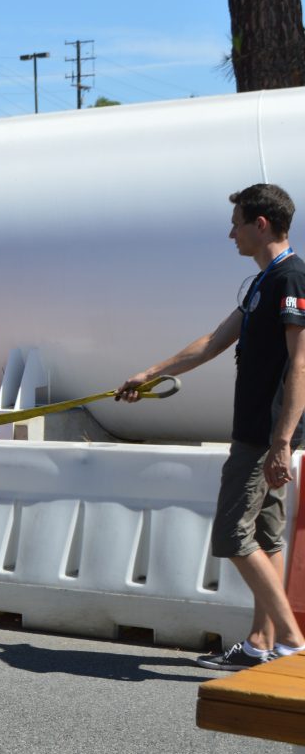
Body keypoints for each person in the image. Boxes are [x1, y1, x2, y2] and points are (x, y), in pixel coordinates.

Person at [117, 183, 305, 671]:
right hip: (261, 436)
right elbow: (214, 341)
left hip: (265, 439)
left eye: (237, 223)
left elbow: (302, 364)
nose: (231, 234)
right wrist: (151, 373)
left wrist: (281, 443)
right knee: (266, 538)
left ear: (260, 224)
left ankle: (290, 639)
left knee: (231, 535)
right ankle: (263, 643)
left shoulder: (292, 280)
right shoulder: (265, 282)